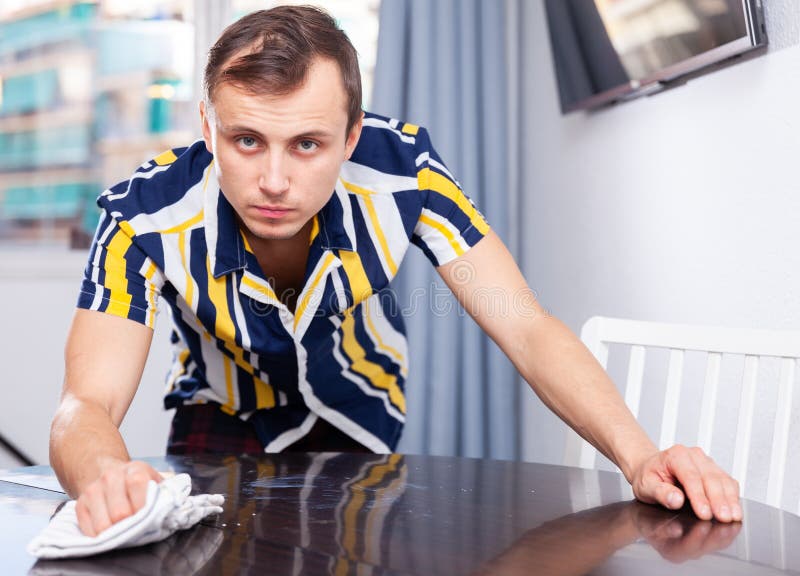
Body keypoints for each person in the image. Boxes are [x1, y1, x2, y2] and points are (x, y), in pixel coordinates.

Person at [49, 5, 741, 538]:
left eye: (309, 144)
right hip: (217, 416)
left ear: (351, 137)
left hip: (360, 411)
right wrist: (105, 474)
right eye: (247, 140)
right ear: (209, 128)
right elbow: (88, 404)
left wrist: (641, 457)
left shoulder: (404, 170)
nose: (274, 180)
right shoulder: (141, 213)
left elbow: (525, 327)